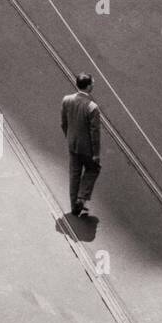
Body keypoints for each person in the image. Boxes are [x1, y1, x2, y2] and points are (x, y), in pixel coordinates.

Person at [62, 73, 101, 218]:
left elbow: (64, 122)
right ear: (89, 86)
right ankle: (82, 197)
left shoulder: (66, 100)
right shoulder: (92, 107)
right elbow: (95, 134)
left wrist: (70, 137)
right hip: (87, 148)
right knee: (93, 168)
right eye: (93, 83)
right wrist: (96, 153)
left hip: (72, 144)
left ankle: (74, 207)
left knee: (74, 173)